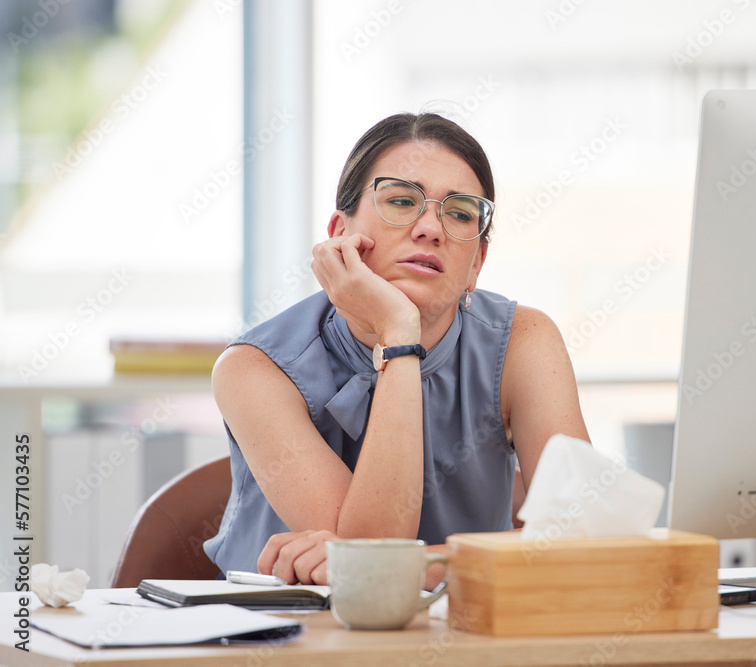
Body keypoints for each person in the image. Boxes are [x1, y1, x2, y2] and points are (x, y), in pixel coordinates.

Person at [203, 112, 590, 585]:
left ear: (477, 265)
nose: (431, 228)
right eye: (402, 201)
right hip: (285, 640)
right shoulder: (253, 368)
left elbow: (580, 538)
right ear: (340, 235)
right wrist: (398, 333)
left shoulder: (524, 342)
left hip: (464, 636)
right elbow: (369, 566)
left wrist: (422, 564)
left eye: (461, 212)